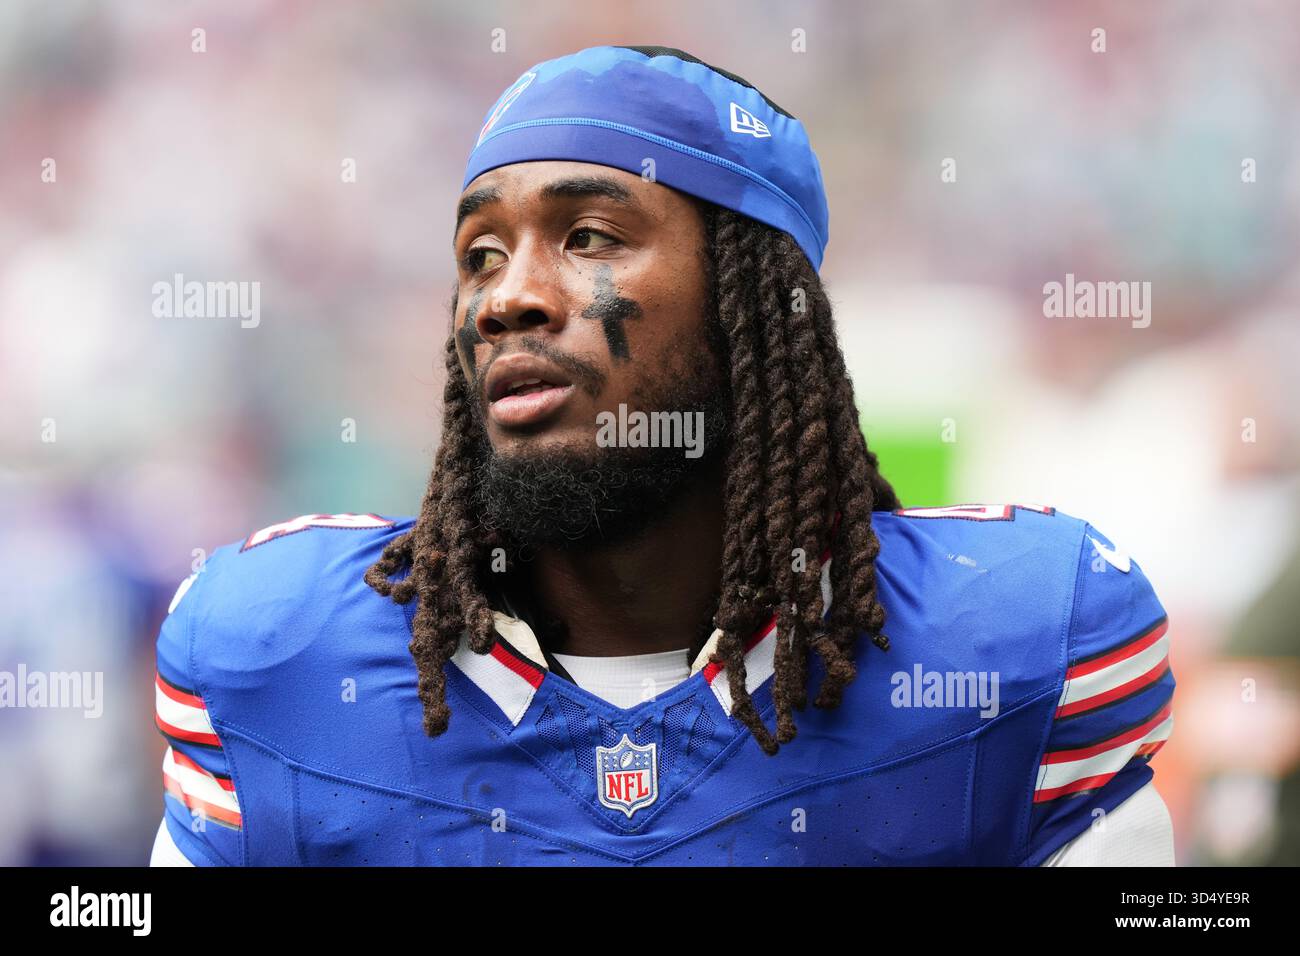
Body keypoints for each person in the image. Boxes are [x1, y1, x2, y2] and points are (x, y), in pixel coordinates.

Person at [150, 45, 1174, 866]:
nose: (507, 296)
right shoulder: (279, 658)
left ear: (752, 303)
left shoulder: (1013, 647)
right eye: (479, 254)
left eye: (590, 235)